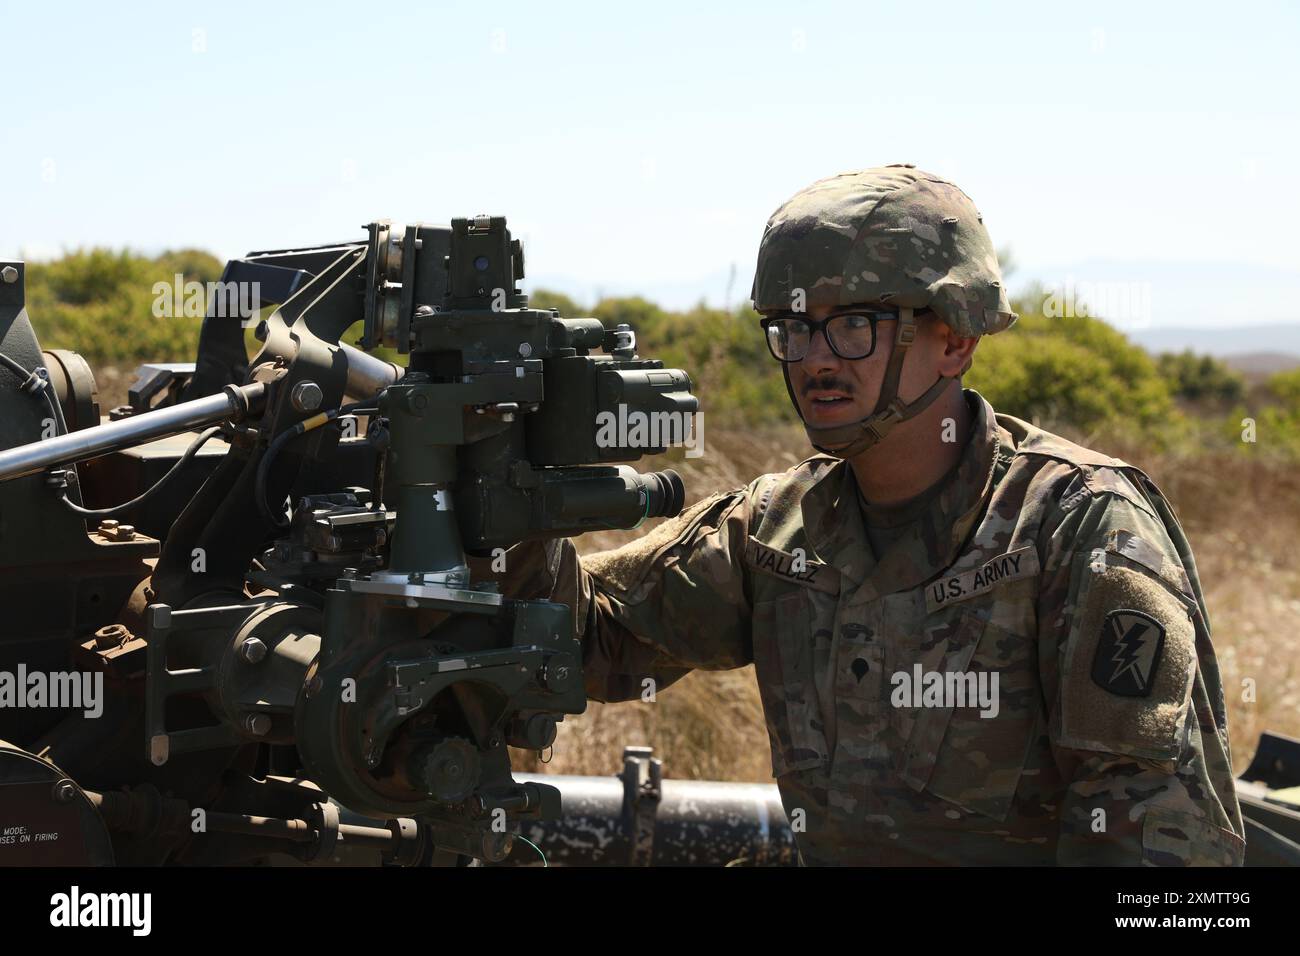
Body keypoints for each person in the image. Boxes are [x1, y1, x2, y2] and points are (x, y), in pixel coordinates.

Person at [497, 164, 1245, 865]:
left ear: (954, 337)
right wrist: (514, 502)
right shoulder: (776, 528)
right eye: (792, 327)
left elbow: (1159, 848)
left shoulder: (1077, 528)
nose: (815, 358)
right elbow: (585, 637)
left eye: (853, 325)